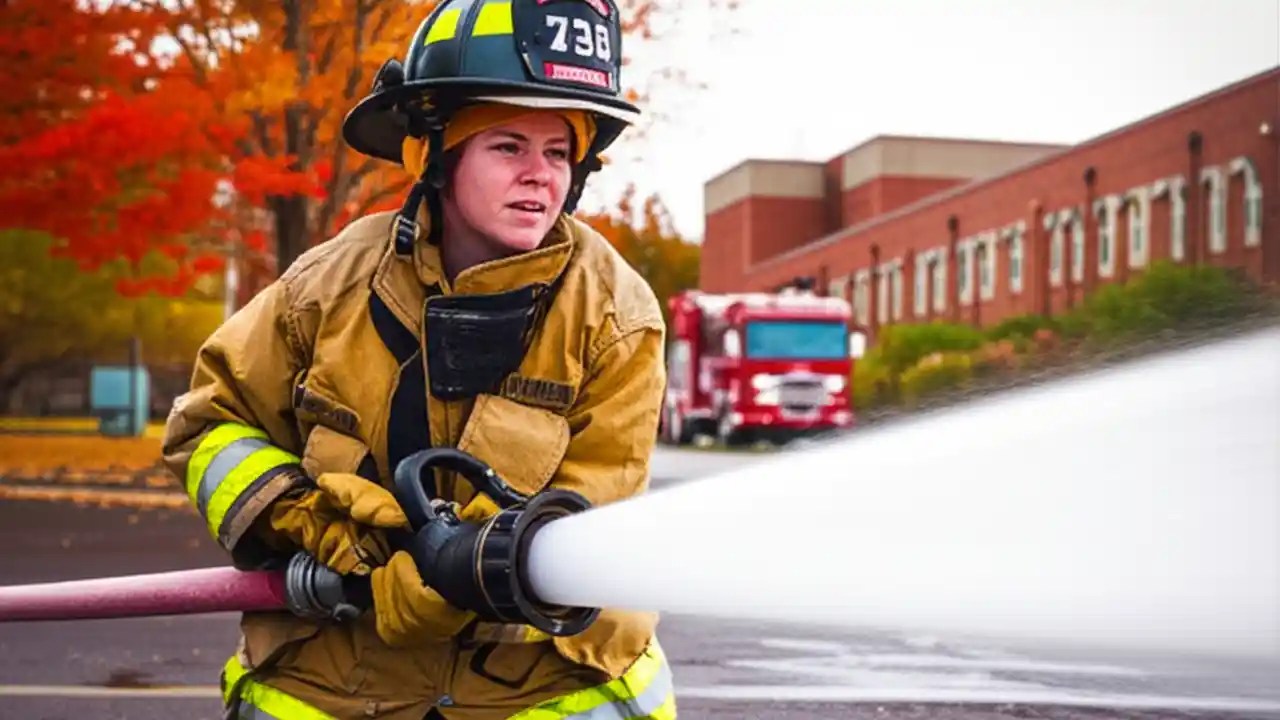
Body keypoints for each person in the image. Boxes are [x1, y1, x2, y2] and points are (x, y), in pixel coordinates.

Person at [160, 0, 674, 717]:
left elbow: (589, 516)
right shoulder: (327, 285)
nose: (540, 176)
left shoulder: (615, 314)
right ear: (435, 151)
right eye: (507, 147)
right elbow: (209, 426)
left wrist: (464, 573)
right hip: (337, 674)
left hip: (539, 680)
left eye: (558, 151)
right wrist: (317, 526)